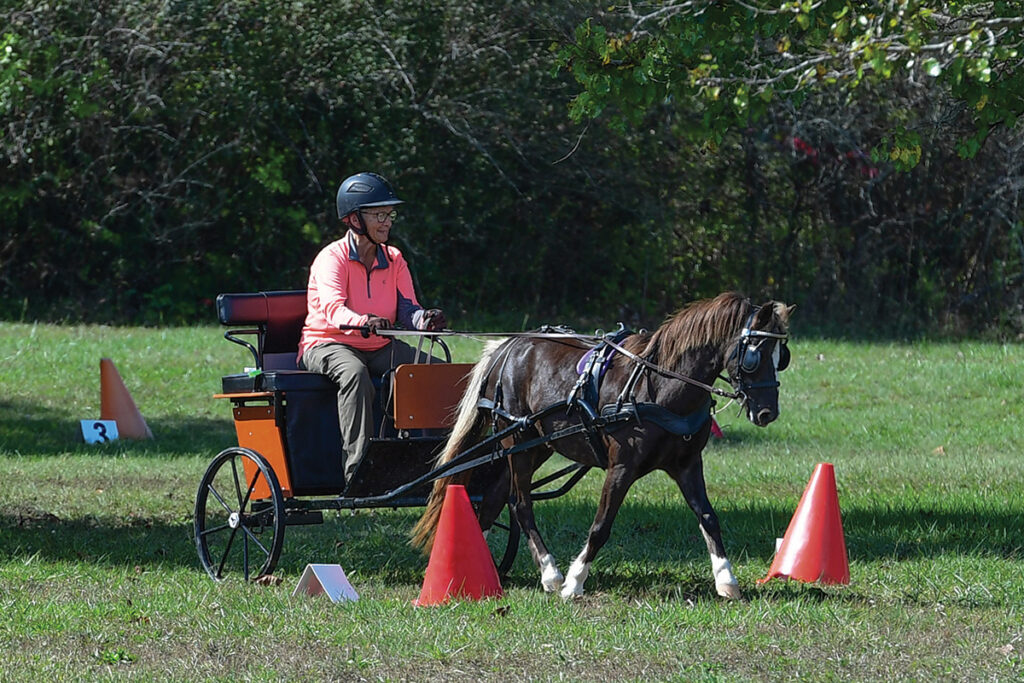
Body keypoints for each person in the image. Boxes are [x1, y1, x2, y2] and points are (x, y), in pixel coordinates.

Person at [298, 172, 447, 483]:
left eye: (389, 214)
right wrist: (364, 321)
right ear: (354, 219)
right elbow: (332, 310)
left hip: (378, 344)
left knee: (434, 373)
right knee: (354, 374)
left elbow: (408, 309)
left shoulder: (394, 258)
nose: (387, 221)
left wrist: (425, 320)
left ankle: (435, 468)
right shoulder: (331, 258)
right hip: (326, 343)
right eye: (379, 214)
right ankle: (358, 475)